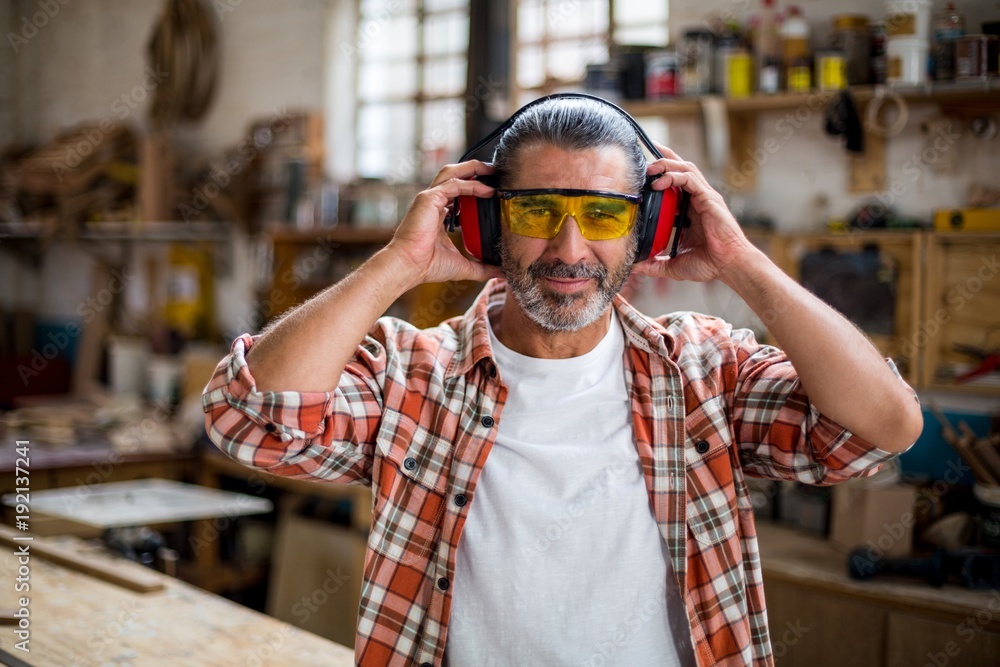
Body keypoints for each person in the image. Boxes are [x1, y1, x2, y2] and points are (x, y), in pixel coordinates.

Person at [203, 95, 923, 667]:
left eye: (604, 215)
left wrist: (742, 263)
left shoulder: (703, 374)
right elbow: (249, 417)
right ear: (486, 223)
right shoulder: (412, 377)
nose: (570, 250)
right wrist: (398, 265)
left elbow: (882, 428)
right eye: (538, 212)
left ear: (649, 228)